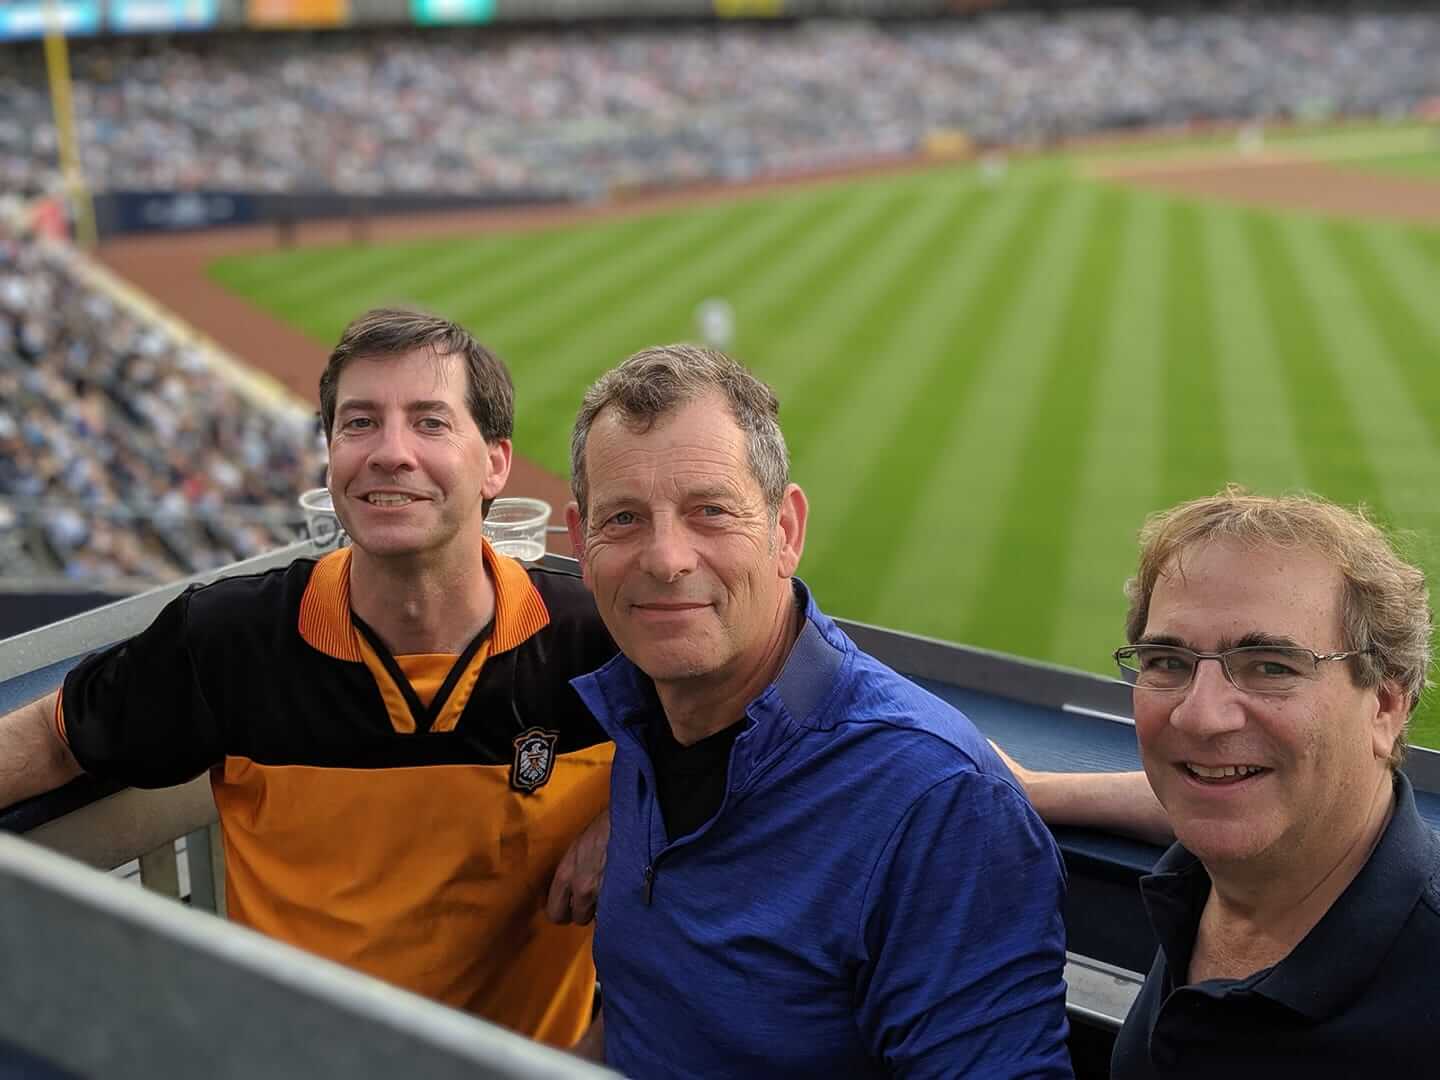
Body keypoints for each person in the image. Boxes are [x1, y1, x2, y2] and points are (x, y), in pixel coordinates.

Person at [0, 308, 614, 1047]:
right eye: (359, 424)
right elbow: (56, 739)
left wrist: (634, 818)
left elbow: (757, 710)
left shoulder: (597, 638)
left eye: (429, 422)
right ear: (330, 456)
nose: (390, 452)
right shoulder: (229, 639)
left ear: (495, 463)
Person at [563, 345, 1071, 1077]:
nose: (666, 557)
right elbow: (648, 1019)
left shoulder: (936, 802)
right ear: (581, 544)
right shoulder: (636, 719)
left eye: (710, 511)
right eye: (624, 519)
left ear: (786, 531)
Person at [1001, 488, 1440, 1077]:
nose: (1200, 716)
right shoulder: (1245, 856)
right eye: (1169, 662)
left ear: (1384, 707)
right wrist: (1038, 791)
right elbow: (1211, 789)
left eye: (1271, 667)